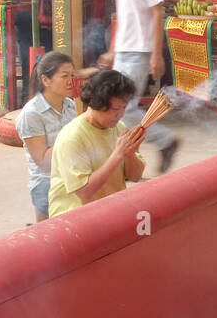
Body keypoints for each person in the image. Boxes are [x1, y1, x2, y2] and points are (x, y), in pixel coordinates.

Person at [104, 0, 179, 171]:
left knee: (123, 109)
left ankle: (165, 140)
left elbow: (158, 14)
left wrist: (156, 56)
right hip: (123, 51)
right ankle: (126, 161)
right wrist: (113, 50)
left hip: (138, 51)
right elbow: (122, 16)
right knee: (117, 109)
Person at [48, 69, 145, 216]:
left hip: (108, 212)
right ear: (96, 103)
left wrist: (130, 154)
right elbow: (84, 192)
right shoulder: (72, 137)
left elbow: (135, 177)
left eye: (123, 108)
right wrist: (118, 155)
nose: (120, 114)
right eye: (115, 109)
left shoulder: (119, 128)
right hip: (74, 218)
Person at [16, 51, 77, 220]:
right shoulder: (32, 113)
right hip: (46, 181)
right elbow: (43, 161)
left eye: (72, 75)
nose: (71, 81)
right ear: (46, 80)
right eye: (64, 76)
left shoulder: (70, 105)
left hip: (71, 173)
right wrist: (74, 139)